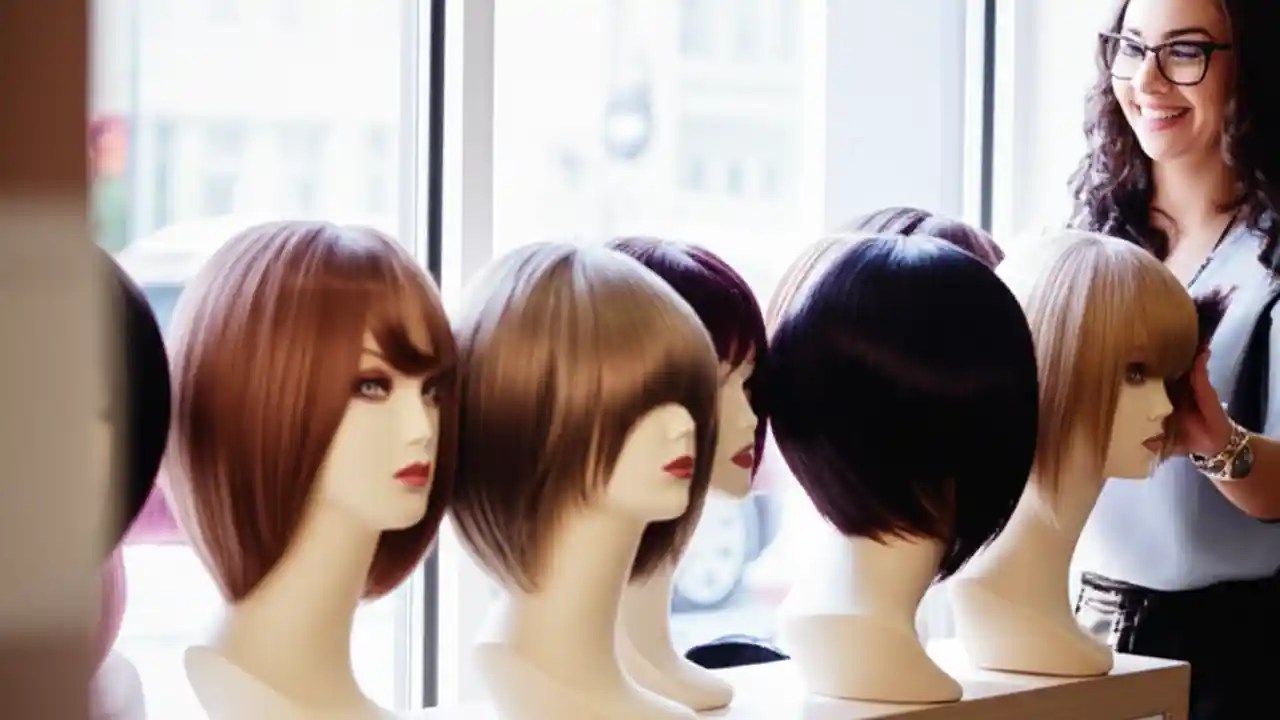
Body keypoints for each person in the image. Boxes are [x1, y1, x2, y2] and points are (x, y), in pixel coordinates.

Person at [1067, 0, 1280, 717]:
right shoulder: (1081, 235)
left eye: (1184, 52)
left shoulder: (1270, 256)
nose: (1148, 80)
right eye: (1131, 47)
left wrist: (1213, 439)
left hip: (1234, 654)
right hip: (1078, 623)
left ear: (1249, 64)